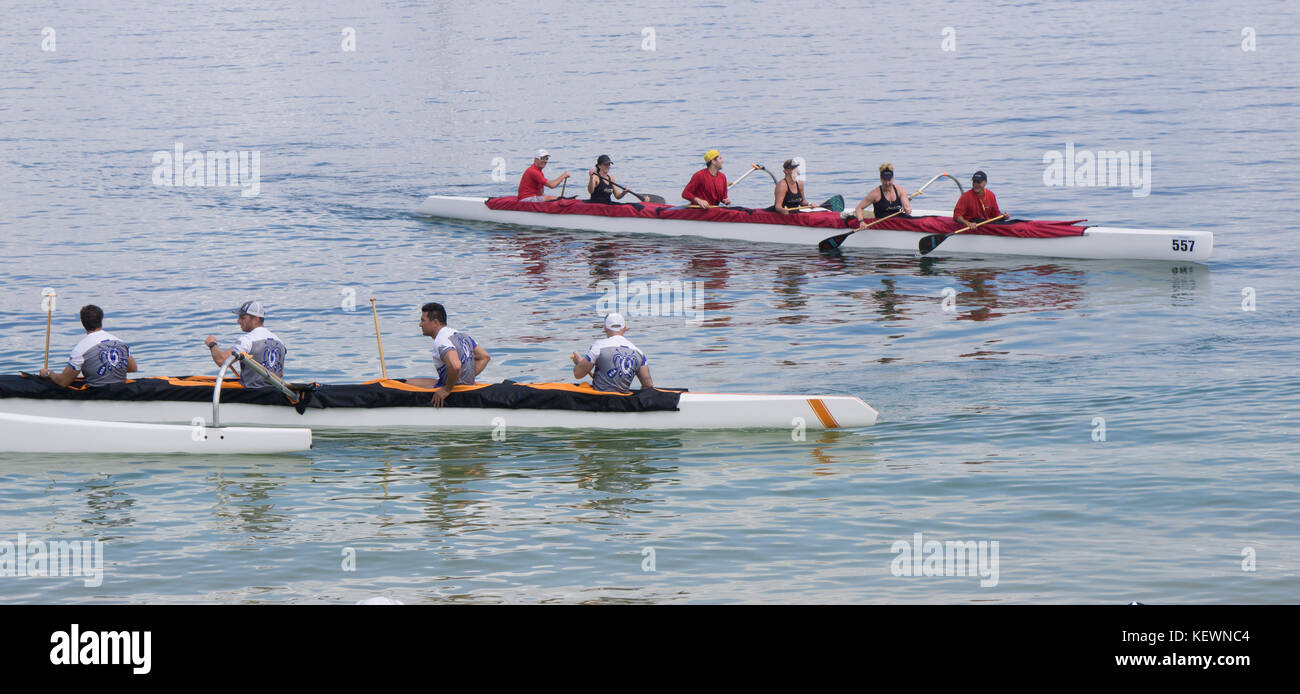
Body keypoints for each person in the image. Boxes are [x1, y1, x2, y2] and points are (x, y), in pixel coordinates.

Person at [406, 302, 491, 407]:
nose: (420, 324)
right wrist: (464, 378)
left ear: (435, 322)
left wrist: (447, 389)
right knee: (406, 382)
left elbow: (455, 366)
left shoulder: (442, 340)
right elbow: (484, 357)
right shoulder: (462, 335)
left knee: (403, 387)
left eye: (423, 320)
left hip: (456, 392)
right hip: (463, 386)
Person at [40, 304, 138, 387]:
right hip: (121, 388)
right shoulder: (120, 342)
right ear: (101, 319)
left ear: (83, 323)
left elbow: (63, 382)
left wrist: (48, 373)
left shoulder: (80, 349)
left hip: (97, 392)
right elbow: (133, 368)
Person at [205, 300, 287, 389]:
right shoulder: (280, 343)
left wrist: (212, 344)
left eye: (243, 318)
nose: (238, 321)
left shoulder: (247, 340)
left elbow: (221, 360)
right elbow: (280, 373)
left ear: (256, 319)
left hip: (251, 393)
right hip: (274, 392)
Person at [570, 313, 652, 393]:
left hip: (600, 400)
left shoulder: (598, 346)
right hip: (623, 401)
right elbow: (648, 385)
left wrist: (579, 363)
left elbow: (578, 374)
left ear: (605, 328)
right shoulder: (639, 353)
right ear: (625, 328)